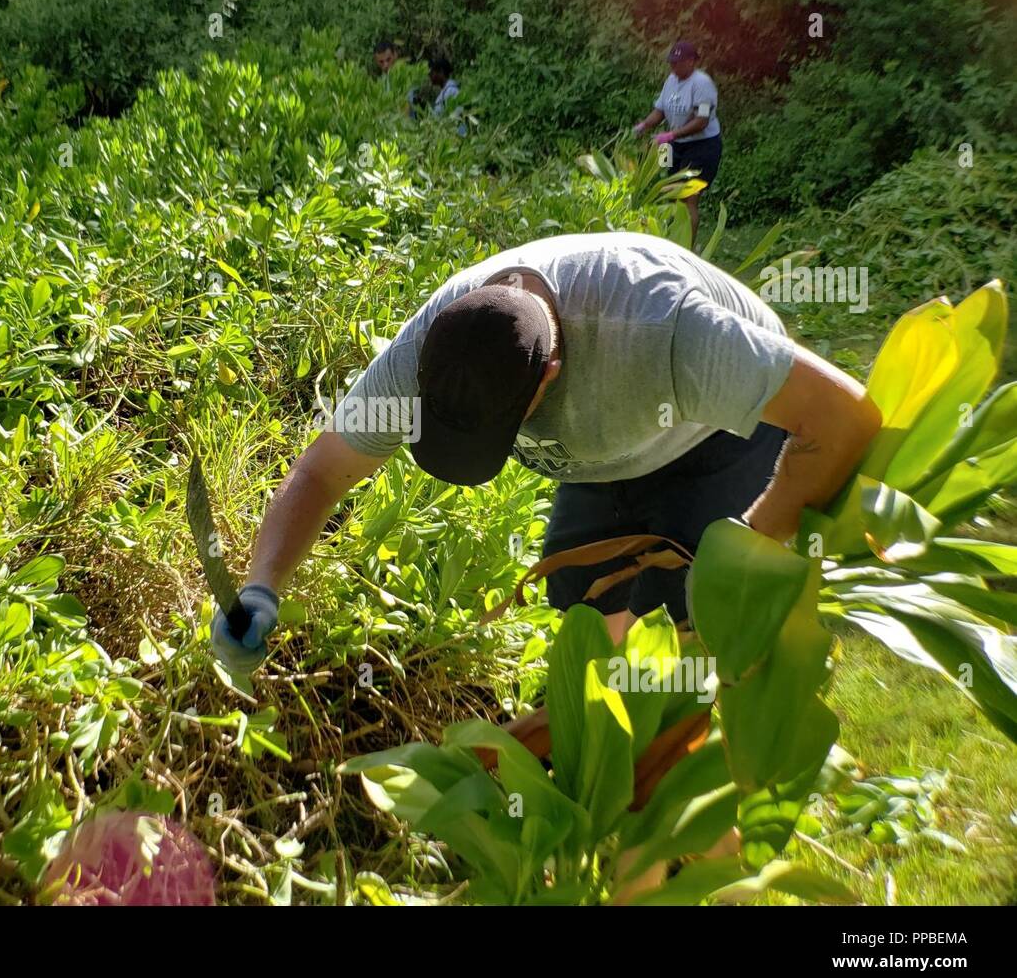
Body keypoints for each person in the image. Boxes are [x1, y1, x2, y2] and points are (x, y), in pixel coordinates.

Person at [212, 231, 881, 677]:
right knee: (590, 636)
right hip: (599, 456)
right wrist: (259, 588)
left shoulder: (663, 328)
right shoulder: (436, 344)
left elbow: (842, 415)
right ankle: (609, 776)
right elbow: (322, 469)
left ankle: (690, 839)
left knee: (689, 651)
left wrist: (749, 547)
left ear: (551, 370)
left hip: (712, 440)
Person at [633, 41, 721, 244]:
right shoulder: (671, 80)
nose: (673, 67)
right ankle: (672, 241)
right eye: (671, 63)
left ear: (691, 61)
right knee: (669, 190)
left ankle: (688, 248)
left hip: (702, 146)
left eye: (678, 63)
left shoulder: (702, 84)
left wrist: (671, 135)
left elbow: (702, 121)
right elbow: (660, 110)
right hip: (675, 146)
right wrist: (643, 126)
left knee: (688, 197)